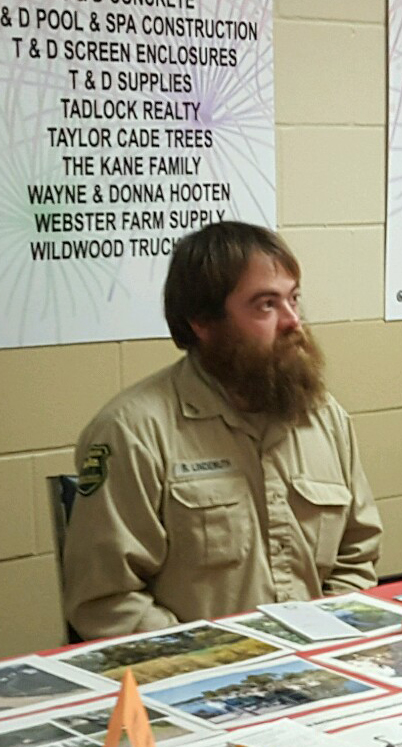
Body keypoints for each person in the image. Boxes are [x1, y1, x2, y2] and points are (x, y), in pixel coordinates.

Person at [63, 221, 382, 640]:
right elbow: (107, 602)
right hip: (194, 679)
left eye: (293, 299)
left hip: (317, 666)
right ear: (203, 321)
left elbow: (356, 556)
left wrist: (328, 637)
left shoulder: (324, 417)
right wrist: (218, 658)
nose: (293, 322)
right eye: (266, 305)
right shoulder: (132, 432)